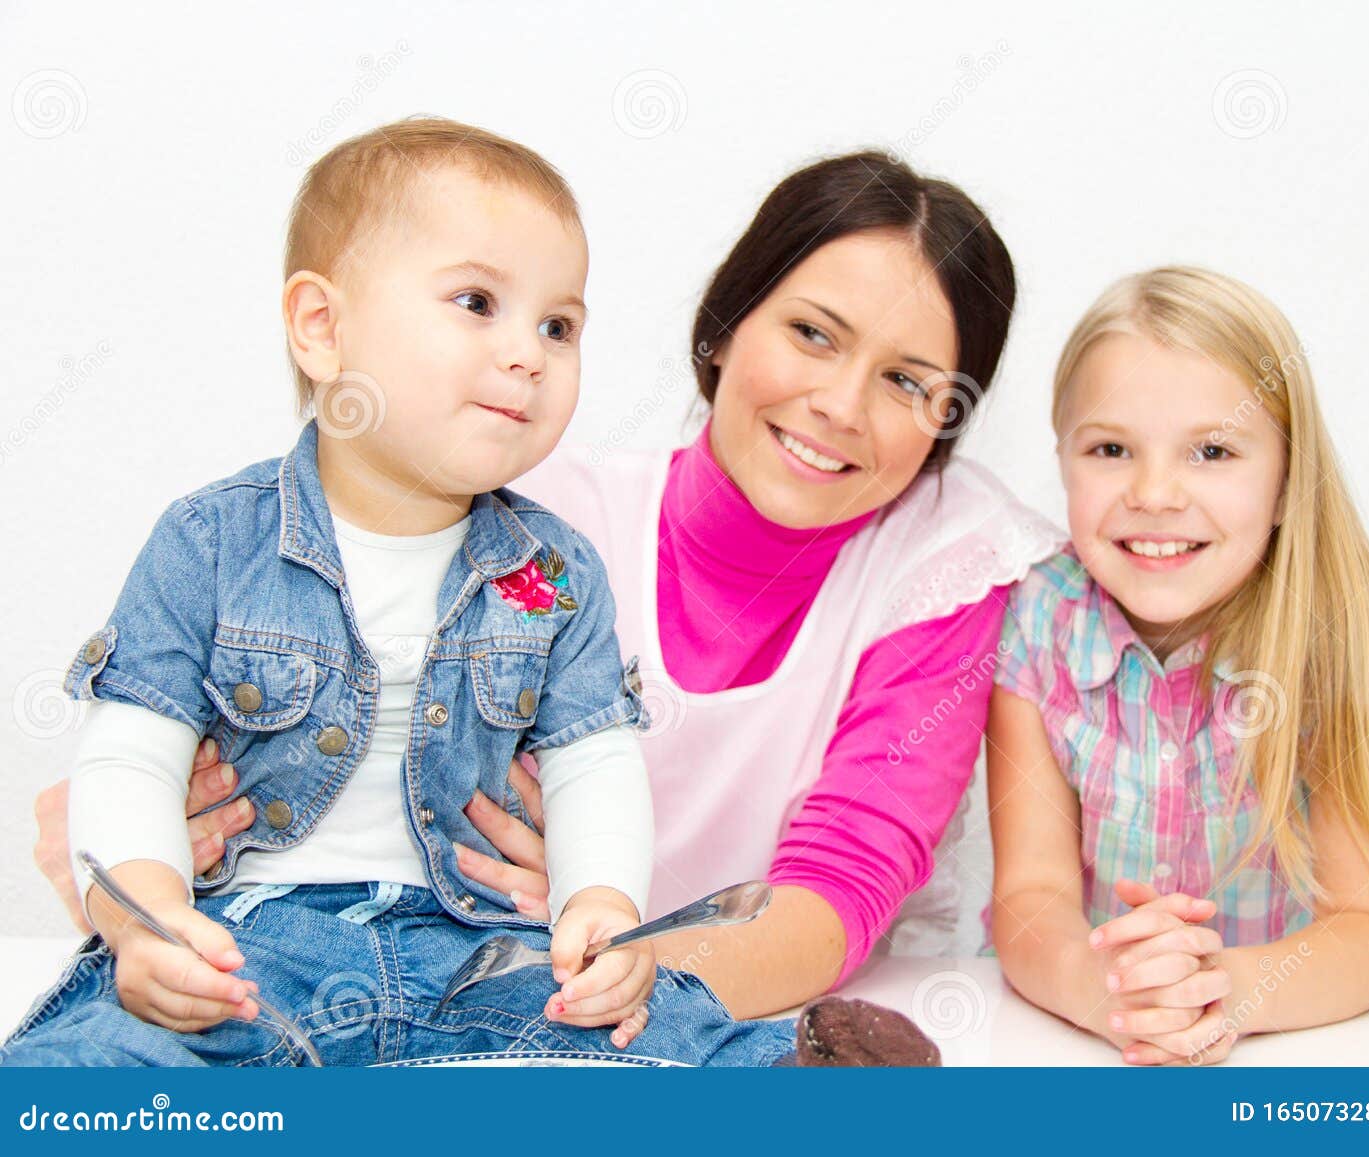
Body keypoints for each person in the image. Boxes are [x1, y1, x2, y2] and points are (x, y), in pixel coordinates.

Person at [35, 146, 1061, 1030]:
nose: (840, 403)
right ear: (725, 324)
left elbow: (845, 878)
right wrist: (139, 846)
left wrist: (593, 966)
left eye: (907, 381)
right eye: (813, 333)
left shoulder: (945, 557)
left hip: (657, 1001)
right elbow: (182, 738)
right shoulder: (525, 522)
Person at [986, 267, 1369, 1065]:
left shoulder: (1343, 634)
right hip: (1090, 1052)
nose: (1156, 491)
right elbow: (1032, 897)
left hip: (1288, 1059)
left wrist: (1219, 991)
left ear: (1283, 483)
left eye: (1211, 450)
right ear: (1063, 461)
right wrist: (1107, 992)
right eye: (1110, 448)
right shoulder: (1037, 621)